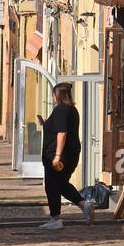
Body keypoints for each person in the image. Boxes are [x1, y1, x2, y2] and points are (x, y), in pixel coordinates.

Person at [37, 83, 93, 230]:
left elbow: (62, 133)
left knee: (52, 186)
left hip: (59, 155)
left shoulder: (61, 110)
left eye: (54, 94)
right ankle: (84, 205)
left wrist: (57, 156)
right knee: (61, 184)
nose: (53, 97)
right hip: (71, 153)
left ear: (59, 95)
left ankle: (55, 219)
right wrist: (46, 124)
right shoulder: (72, 110)